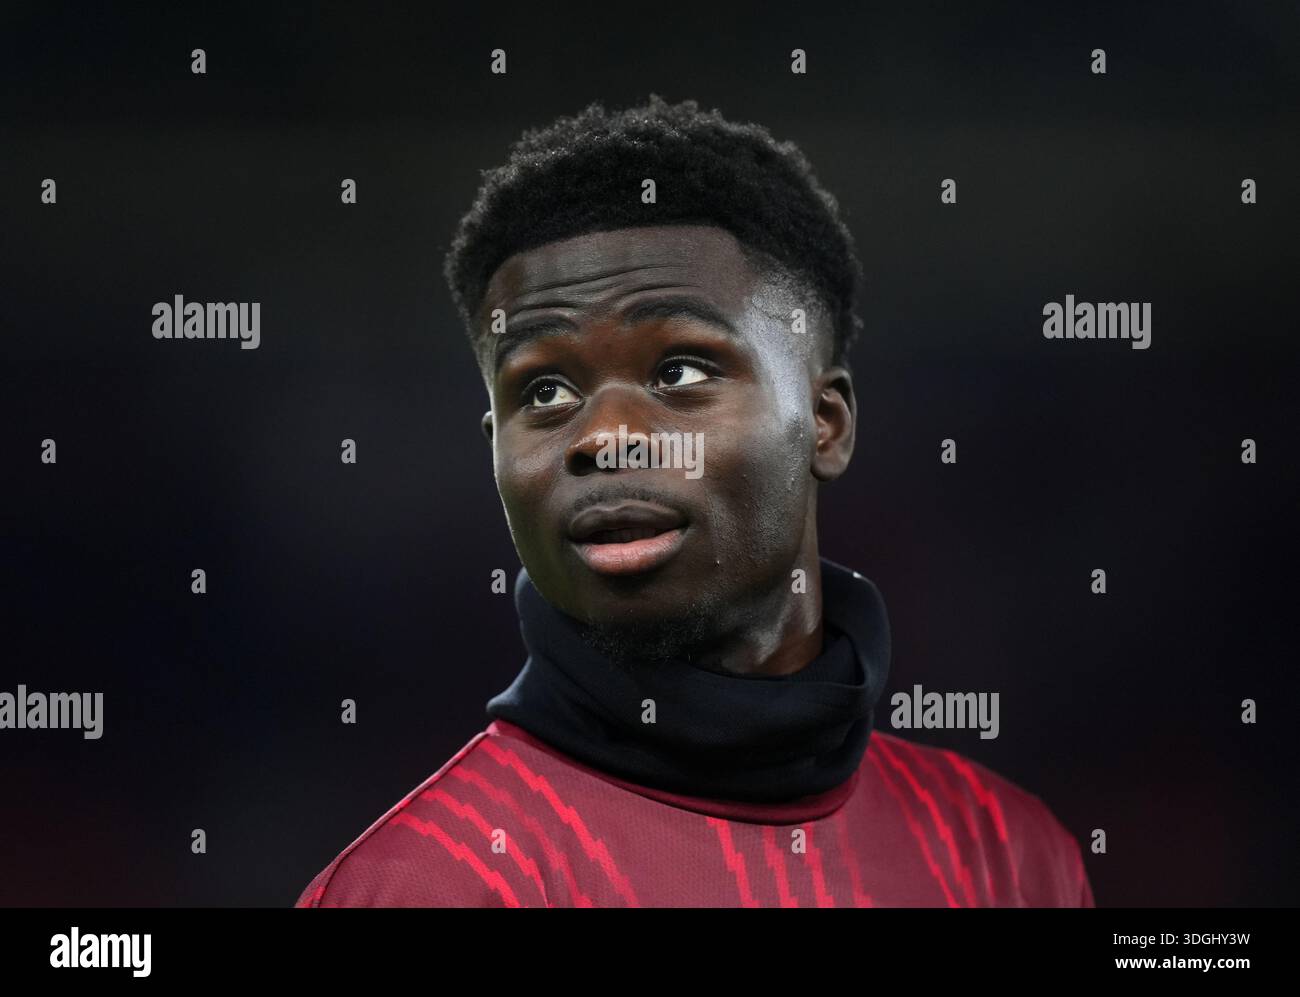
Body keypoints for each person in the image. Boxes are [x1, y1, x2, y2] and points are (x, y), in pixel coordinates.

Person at [296, 95, 1094, 907]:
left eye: (679, 370)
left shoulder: (1009, 855)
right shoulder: (427, 885)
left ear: (825, 424)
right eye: (543, 388)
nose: (604, 436)